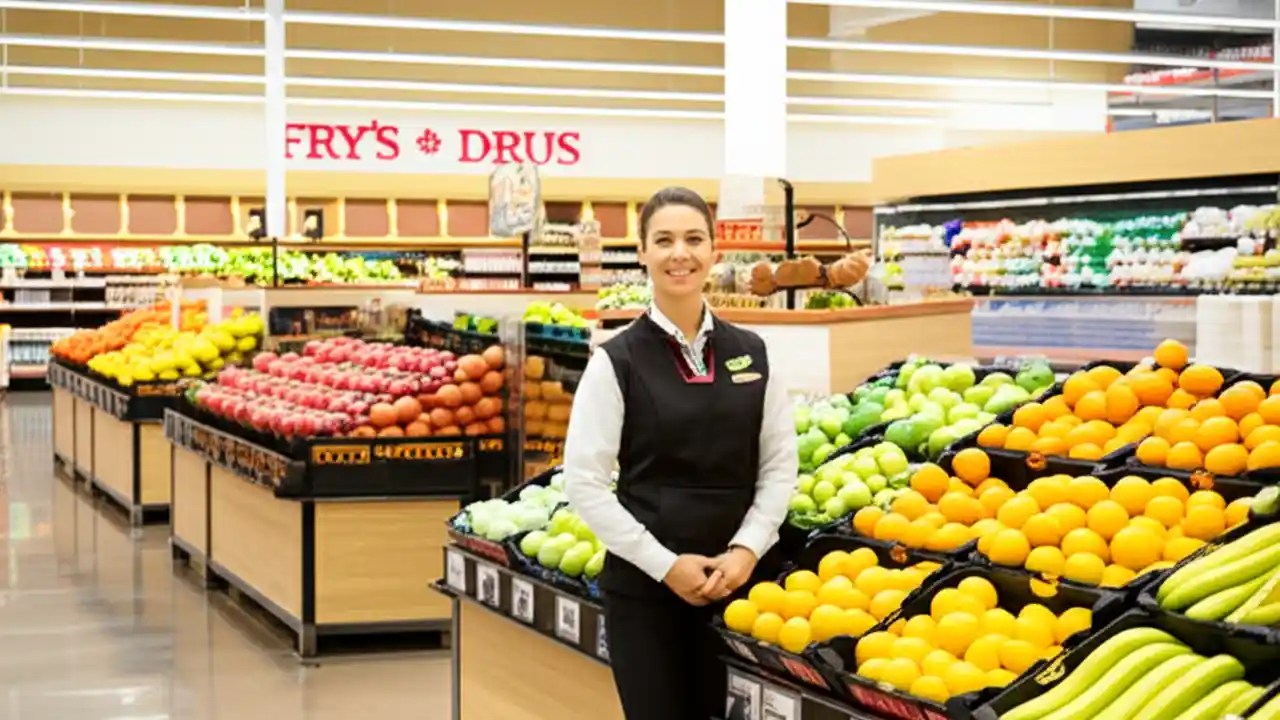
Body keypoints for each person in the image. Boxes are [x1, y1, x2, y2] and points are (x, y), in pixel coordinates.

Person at [563, 186, 798, 720]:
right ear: (642, 252)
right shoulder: (615, 361)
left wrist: (746, 551)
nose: (680, 254)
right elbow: (584, 482)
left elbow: (779, 465)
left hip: (745, 591)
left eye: (694, 239)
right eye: (663, 240)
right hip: (648, 598)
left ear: (714, 251)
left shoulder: (754, 353)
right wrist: (666, 566)